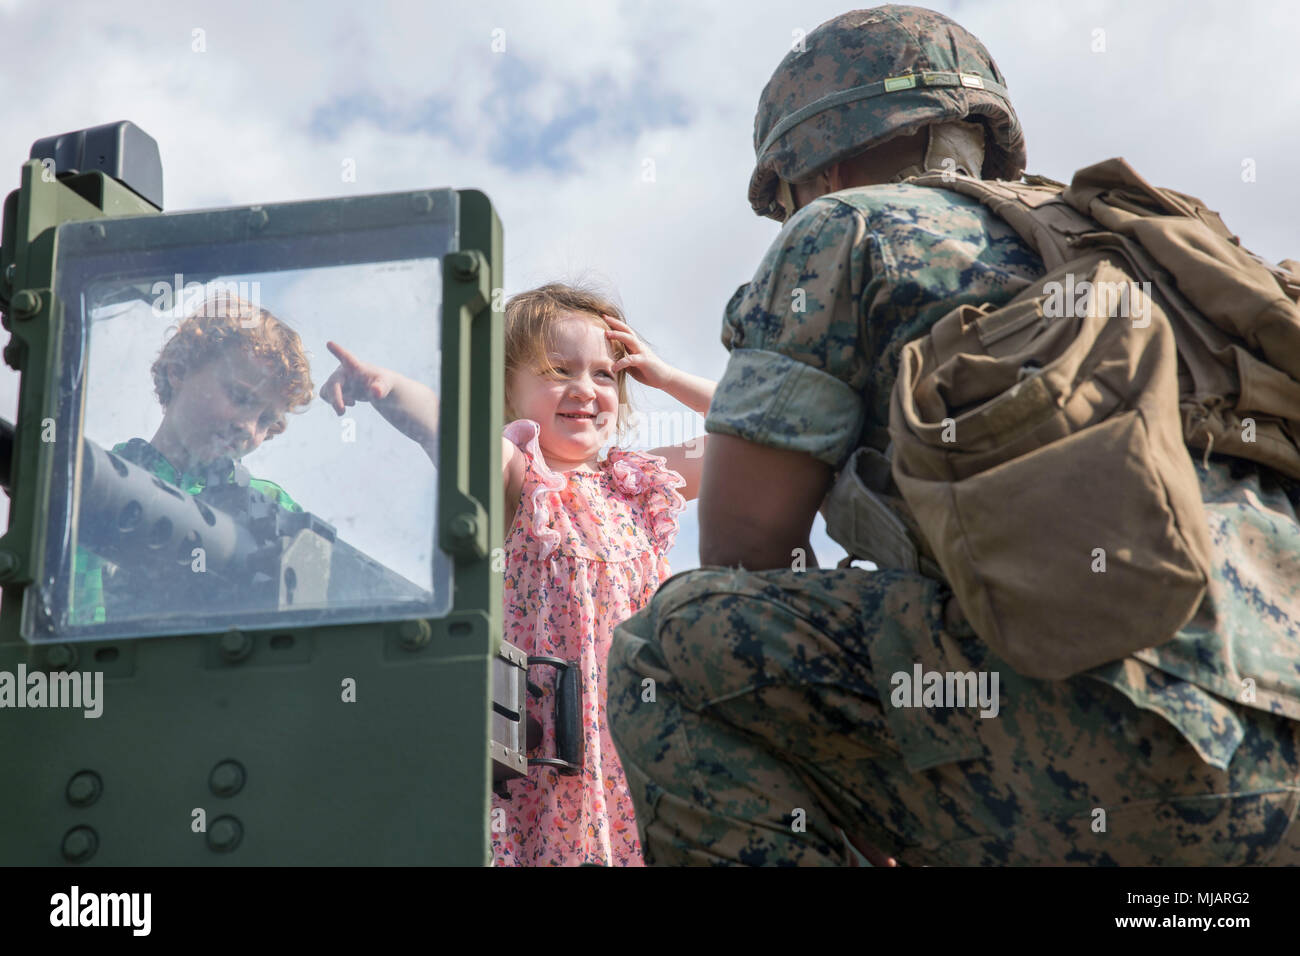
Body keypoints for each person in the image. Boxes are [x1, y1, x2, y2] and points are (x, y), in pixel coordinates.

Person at [607, 5, 1300, 865]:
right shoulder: (1156, 248)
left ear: (813, 166)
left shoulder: (845, 226)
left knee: (666, 653)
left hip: (1118, 739)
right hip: (1280, 748)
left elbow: (746, 547)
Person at [318, 282, 716, 865]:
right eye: (558, 369)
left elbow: (754, 427)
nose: (585, 388)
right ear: (507, 389)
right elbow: (451, 433)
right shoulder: (520, 476)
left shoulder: (639, 483)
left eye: (605, 374)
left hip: (640, 750)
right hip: (549, 751)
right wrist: (388, 388)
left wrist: (667, 375)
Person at [71, 293, 313, 625]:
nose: (247, 427)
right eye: (240, 396)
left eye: (266, 420)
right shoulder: (92, 483)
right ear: (179, 371)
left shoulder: (273, 508)